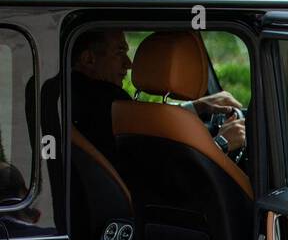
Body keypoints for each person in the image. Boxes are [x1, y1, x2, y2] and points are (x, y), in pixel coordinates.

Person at [70, 29, 243, 167]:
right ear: (88, 59)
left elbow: (149, 124)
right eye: (119, 52)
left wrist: (196, 106)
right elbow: (163, 174)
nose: (129, 63)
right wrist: (222, 143)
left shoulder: (73, 95)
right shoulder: (107, 102)